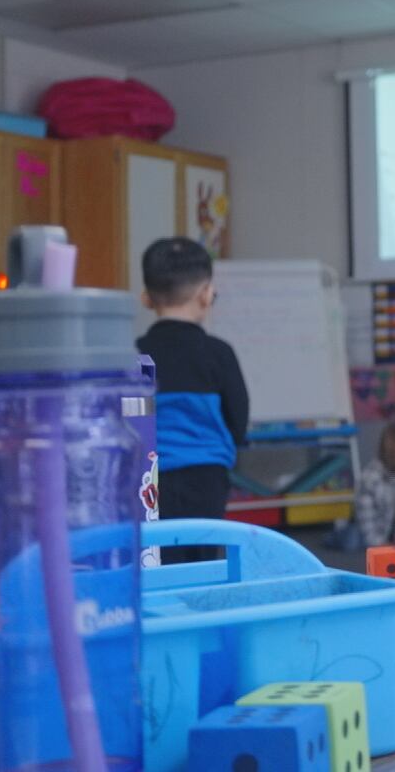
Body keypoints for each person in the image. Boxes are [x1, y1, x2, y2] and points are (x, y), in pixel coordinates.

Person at [136, 237, 249, 565]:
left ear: (146, 298)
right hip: (206, 477)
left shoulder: (135, 355)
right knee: (202, 563)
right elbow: (238, 421)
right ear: (206, 294)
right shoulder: (219, 354)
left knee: (157, 561)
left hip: (150, 477)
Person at [348, 421, 395, 548]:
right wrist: (386, 546)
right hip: (380, 537)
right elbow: (367, 527)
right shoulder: (371, 478)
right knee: (352, 541)